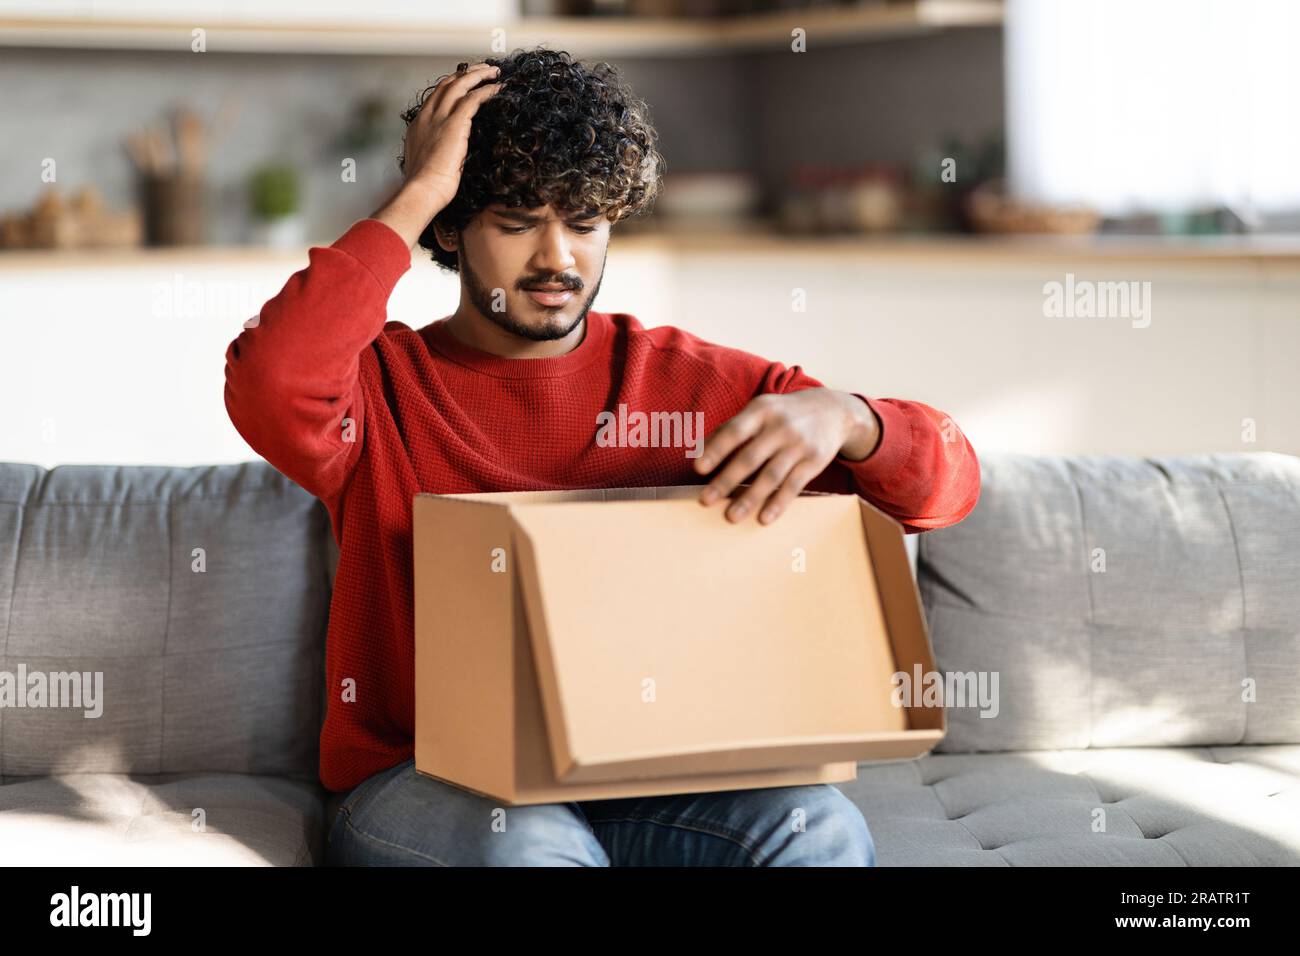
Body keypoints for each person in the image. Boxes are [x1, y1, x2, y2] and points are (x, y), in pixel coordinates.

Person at [223, 48, 980, 866]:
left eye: (584, 222)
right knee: (532, 847)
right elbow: (271, 380)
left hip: (655, 780)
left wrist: (854, 418)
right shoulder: (379, 394)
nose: (557, 259)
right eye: (516, 222)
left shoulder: (699, 384)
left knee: (821, 827)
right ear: (451, 226)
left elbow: (949, 485)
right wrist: (416, 194)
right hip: (426, 779)